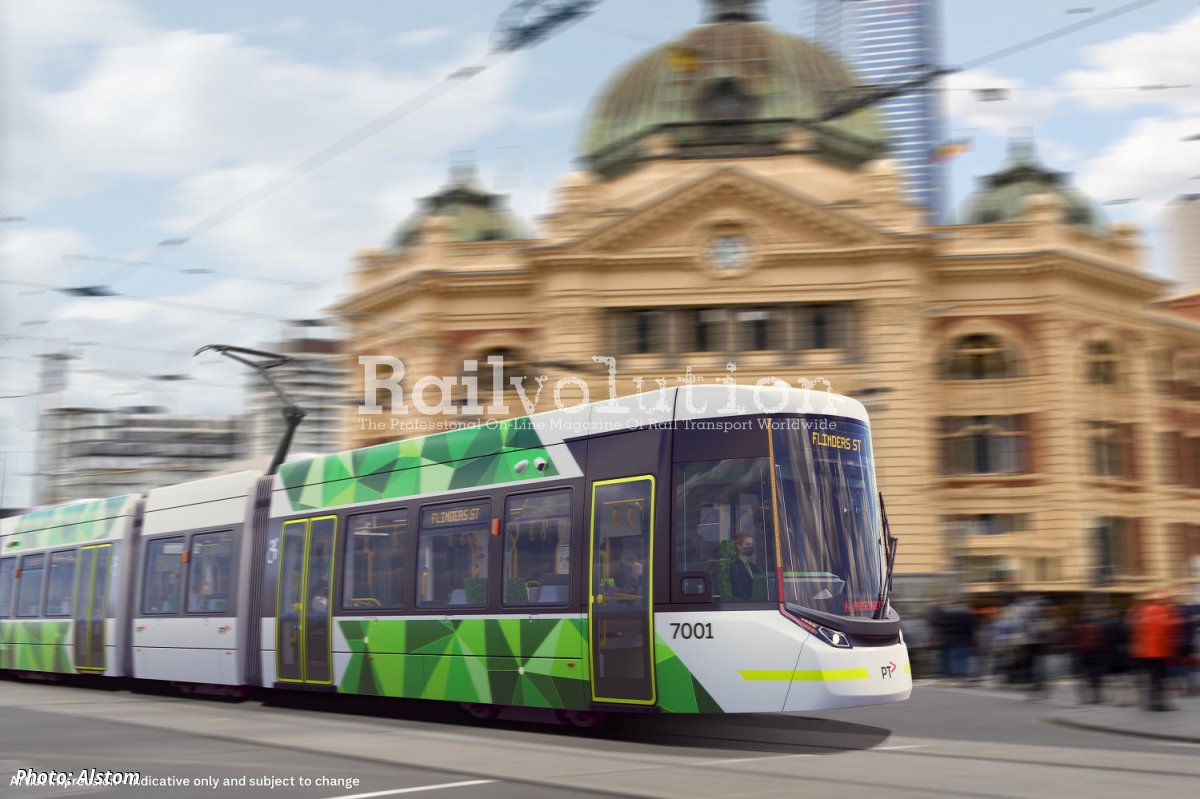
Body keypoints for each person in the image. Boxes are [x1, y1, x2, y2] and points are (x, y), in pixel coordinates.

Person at [1129, 590, 1179, 711]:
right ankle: (1159, 703)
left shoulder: (1141, 611)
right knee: (1160, 677)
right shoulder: (1165, 611)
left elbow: (1136, 630)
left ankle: (1152, 703)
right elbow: (1169, 630)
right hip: (1160, 650)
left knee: (1152, 677)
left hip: (1146, 650)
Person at [729, 531, 760, 601]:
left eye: (752, 544)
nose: (751, 547)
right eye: (748, 544)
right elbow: (739, 593)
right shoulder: (735, 567)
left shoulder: (753, 567)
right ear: (738, 546)